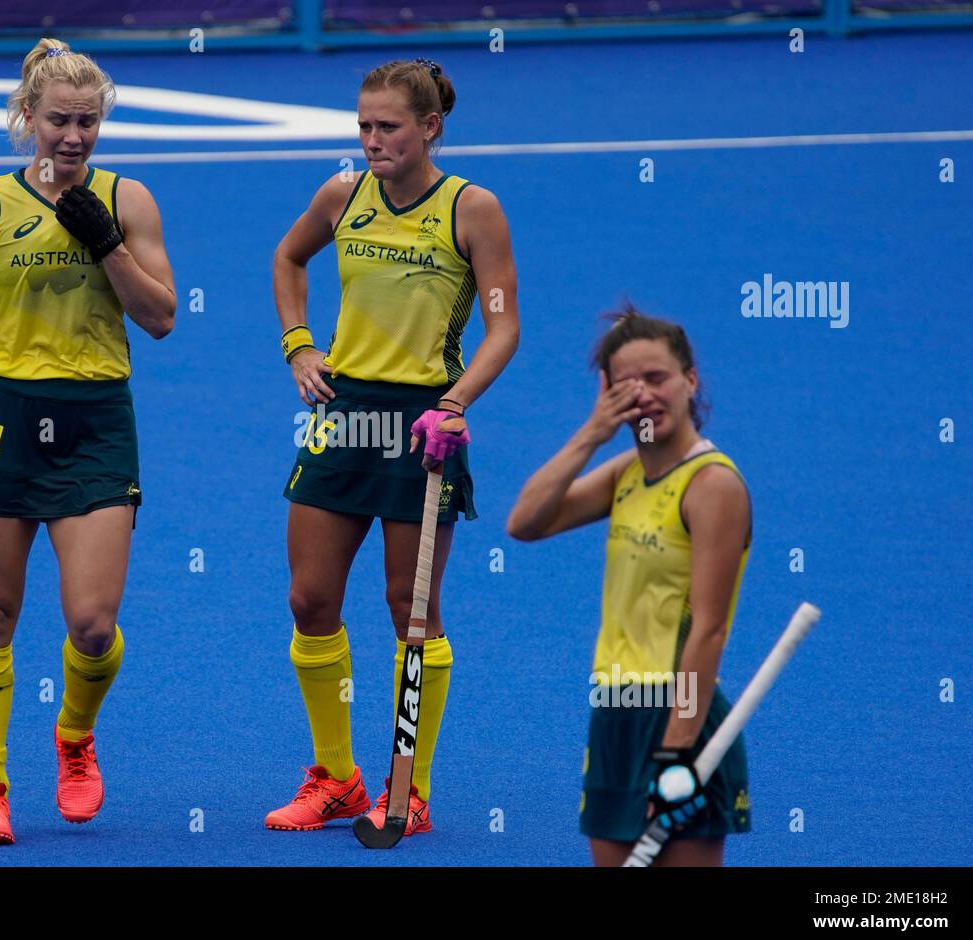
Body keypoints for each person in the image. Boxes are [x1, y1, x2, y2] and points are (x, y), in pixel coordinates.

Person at [0, 38, 175, 845]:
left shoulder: (128, 198)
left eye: (88, 122)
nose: (73, 136)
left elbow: (162, 317)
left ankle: (73, 737)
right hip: (1, 420)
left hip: (97, 423)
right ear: (26, 117)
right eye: (59, 120)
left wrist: (107, 243)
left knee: (93, 625)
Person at [265, 58, 519, 837]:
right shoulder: (341, 196)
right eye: (364, 126)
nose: (372, 140)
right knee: (310, 601)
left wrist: (455, 401)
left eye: (389, 128)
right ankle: (336, 777)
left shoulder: (472, 210)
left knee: (412, 611)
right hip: (343, 418)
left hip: (423, 423)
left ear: (430, 127)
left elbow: (504, 326)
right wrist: (300, 345)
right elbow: (288, 258)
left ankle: (410, 788)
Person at [507, 306, 752, 866]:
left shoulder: (712, 485)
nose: (643, 394)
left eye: (658, 378)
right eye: (626, 384)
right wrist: (593, 433)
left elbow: (709, 629)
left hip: (678, 717)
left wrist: (677, 751)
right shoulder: (626, 475)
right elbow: (525, 522)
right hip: (615, 711)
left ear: (691, 381)